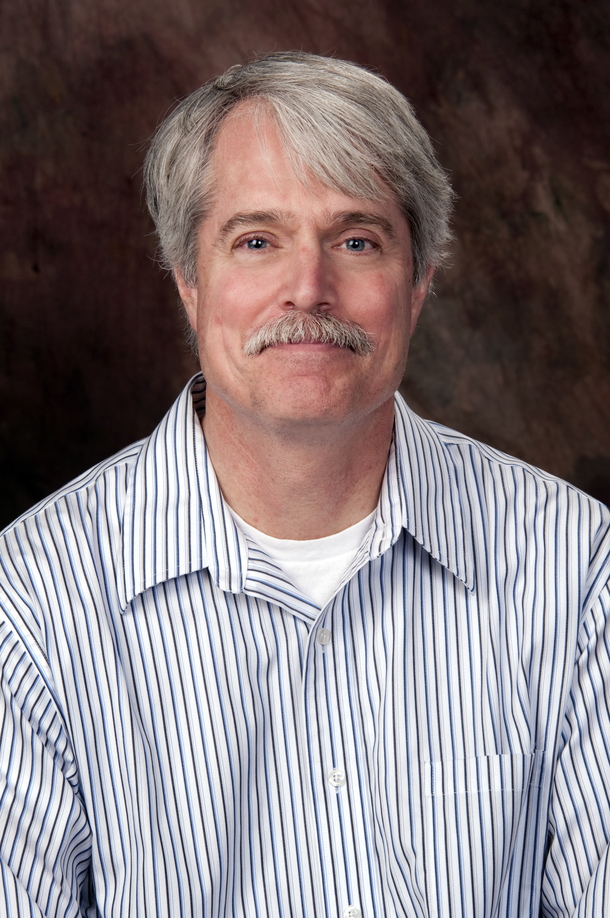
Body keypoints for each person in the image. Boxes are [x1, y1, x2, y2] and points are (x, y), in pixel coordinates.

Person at [1, 50, 609, 918]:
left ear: (420, 282)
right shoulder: (31, 598)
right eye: (257, 241)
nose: (309, 289)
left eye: (357, 241)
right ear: (189, 281)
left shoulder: (575, 566)